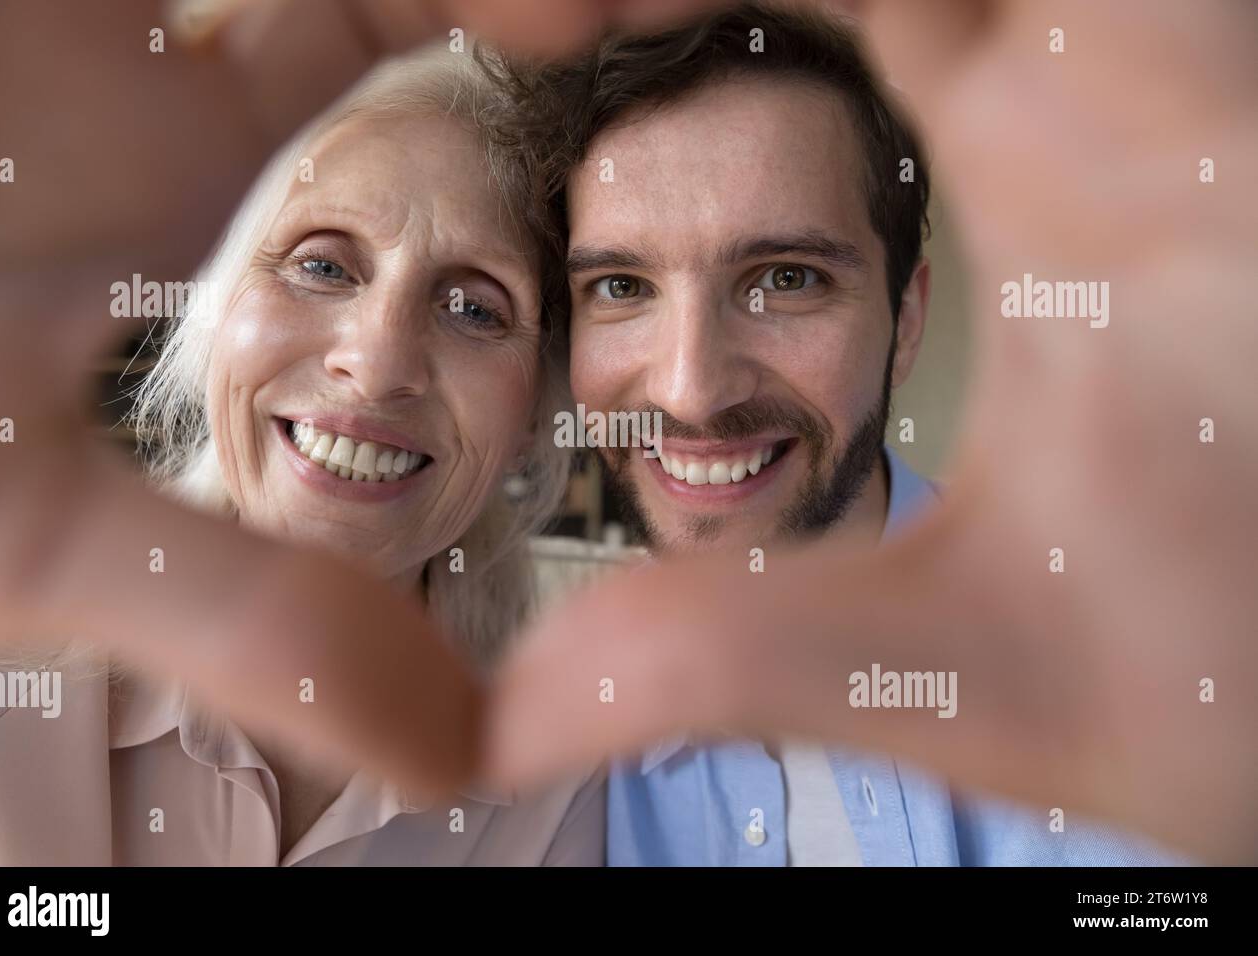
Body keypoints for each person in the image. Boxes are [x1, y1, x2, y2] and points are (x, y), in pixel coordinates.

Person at [480, 3, 1180, 866]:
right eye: (623, 287)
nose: (692, 390)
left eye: (785, 277)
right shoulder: (537, 757)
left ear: (906, 318)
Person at [0, 50, 602, 866]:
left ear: (536, 416)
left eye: (474, 308)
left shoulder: (570, 778)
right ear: (213, 312)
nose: (376, 367)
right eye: (322, 265)